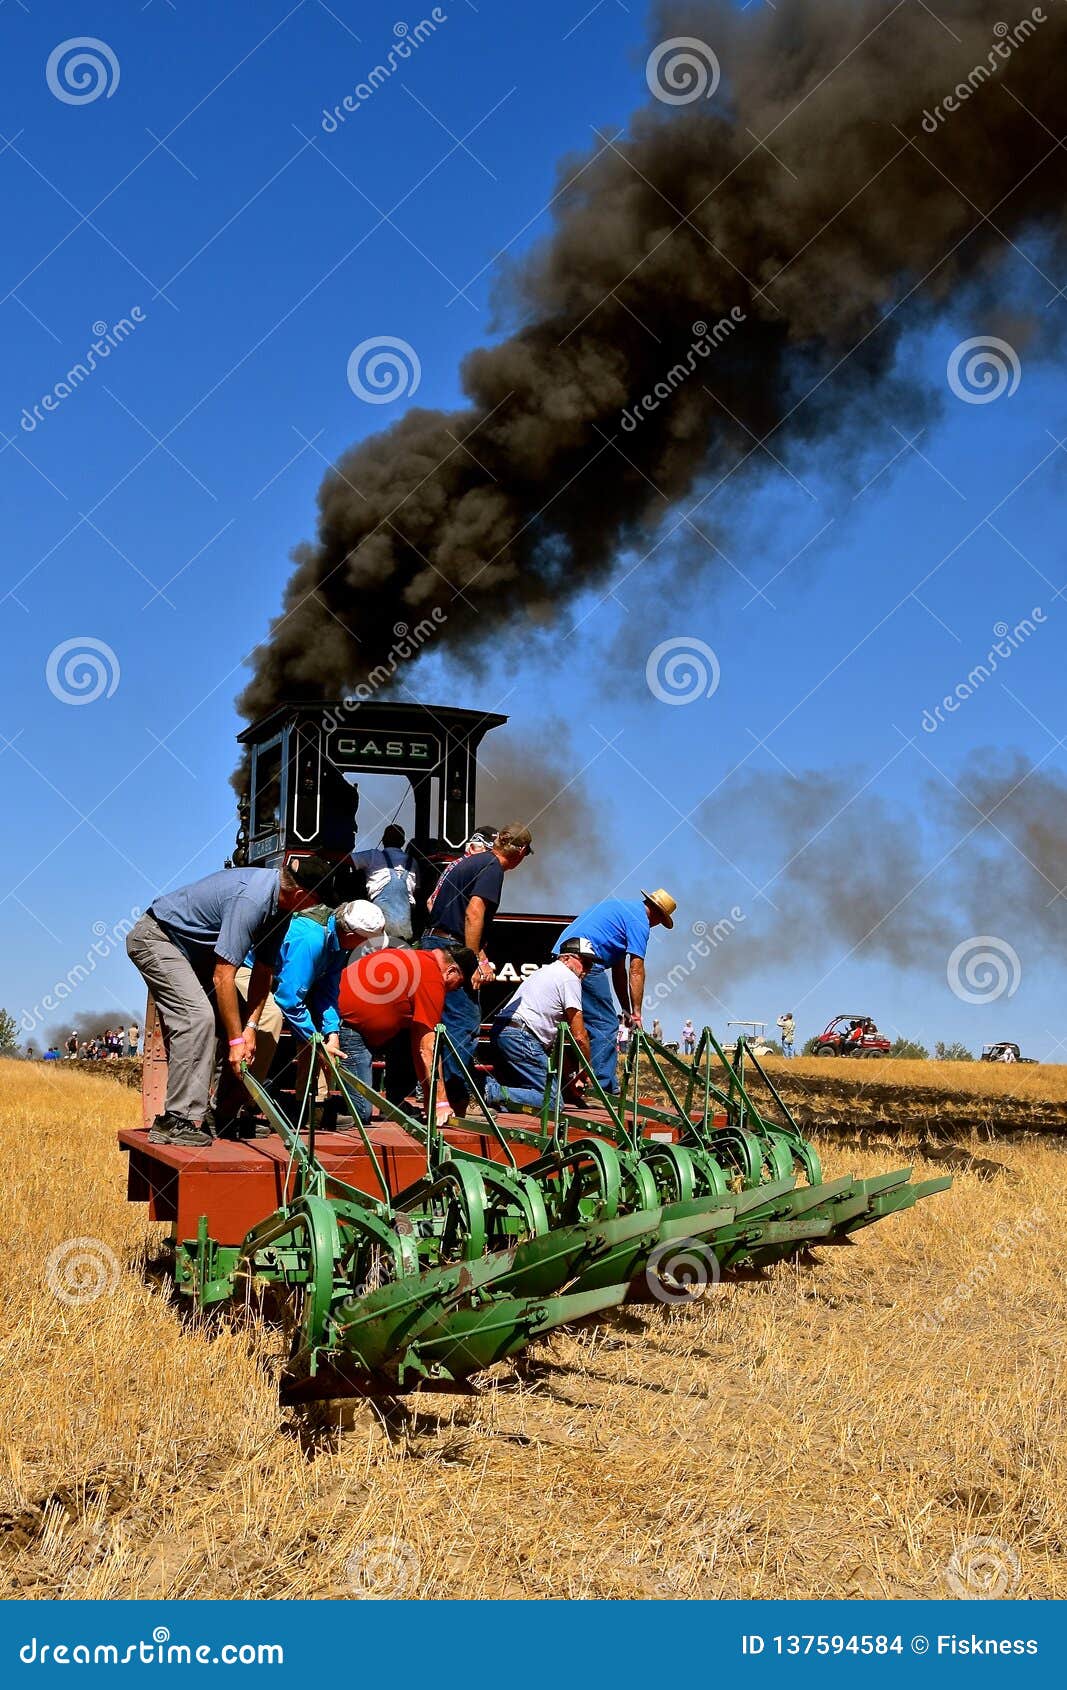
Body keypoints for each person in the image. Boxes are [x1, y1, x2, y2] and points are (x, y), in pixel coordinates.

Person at [125, 861, 319, 1148]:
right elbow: (223, 974)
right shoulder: (251, 899)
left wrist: (249, 1028)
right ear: (301, 893)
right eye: (316, 899)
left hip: (194, 955)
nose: (315, 908)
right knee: (197, 1018)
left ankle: (221, 1114)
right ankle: (176, 1121)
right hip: (158, 939)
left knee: (236, 1019)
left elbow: (263, 971)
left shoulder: (282, 909)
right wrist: (237, 1040)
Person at [421, 823, 534, 1114]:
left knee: (430, 1021)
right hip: (452, 949)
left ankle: (434, 1096)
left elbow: (434, 904)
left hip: (433, 942)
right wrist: (471, 960)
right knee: (464, 1022)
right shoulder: (493, 867)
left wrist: (479, 955)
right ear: (520, 852)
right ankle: (459, 1099)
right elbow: (474, 912)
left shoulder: (469, 862)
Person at [552, 888, 677, 1093]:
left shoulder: (622, 911)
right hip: (584, 960)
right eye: (660, 921)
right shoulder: (640, 923)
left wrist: (626, 1010)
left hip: (562, 956)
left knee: (575, 1022)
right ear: (657, 915)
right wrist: (637, 1014)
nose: (656, 926)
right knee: (605, 1023)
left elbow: (620, 973)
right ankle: (602, 1086)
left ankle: (569, 1082)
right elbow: (636, 971)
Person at [337, 945, 477, 1124]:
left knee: (412, 1034)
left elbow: (421, 1041)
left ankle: (395, 1104)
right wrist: (441, 1102)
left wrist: (429, 1098)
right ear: (451, 971)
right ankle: (319, 1110)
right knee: (360, 1113)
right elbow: (428, 1048)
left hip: (365, 1029)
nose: (453, 990)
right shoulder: (432, 976)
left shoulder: (420, 960)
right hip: (348, 1029)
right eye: (458, 984)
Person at [484, 937, 598, 1110]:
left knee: (524, 1094)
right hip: (521, 1037)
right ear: (565, 958)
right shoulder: (569, 978)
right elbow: (580, 1036)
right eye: (585, 962)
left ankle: (490, 1094)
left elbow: (562, 1041)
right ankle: (488, 1090)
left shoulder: (544, 972)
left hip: (503, 1032)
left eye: (591, 965)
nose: (587, 970)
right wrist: (587, 1071)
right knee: (553, 1102)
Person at [352, 825, 417, 945]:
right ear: (402, 842)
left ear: (383, 840)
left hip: (379, 928)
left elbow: (348, 860)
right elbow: (416, 890)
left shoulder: (373, 856)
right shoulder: (412, 862)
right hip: (404, 930)